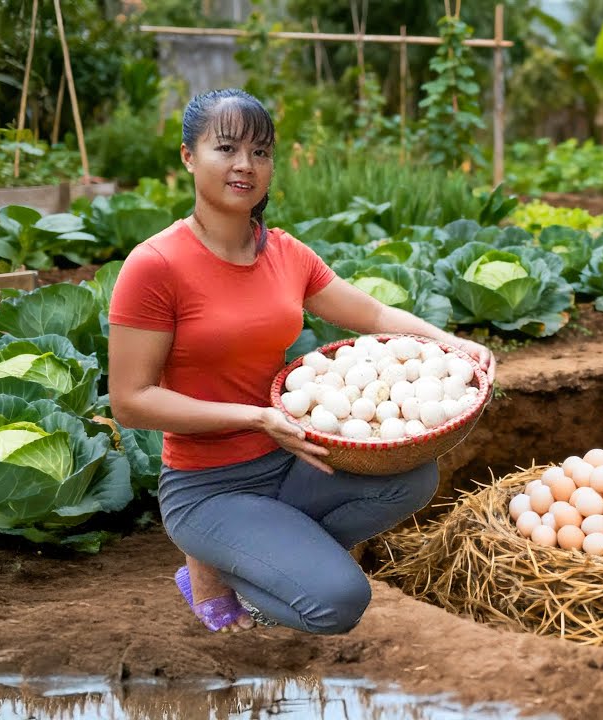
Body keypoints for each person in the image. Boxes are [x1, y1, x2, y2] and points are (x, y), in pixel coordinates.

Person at [108, 88, 495, 635]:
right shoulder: (154, 265)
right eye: (227, 148)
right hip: (209, 487)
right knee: (338, 601)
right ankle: (217, 566)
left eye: (261, 152)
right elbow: (130, 402)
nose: (246, 165)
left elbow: (377, 315)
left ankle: (251, 558)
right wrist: (256, 418)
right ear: (188, 156)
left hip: (291, 462)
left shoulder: (286, 253)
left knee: (414, 478)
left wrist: (456, 344)